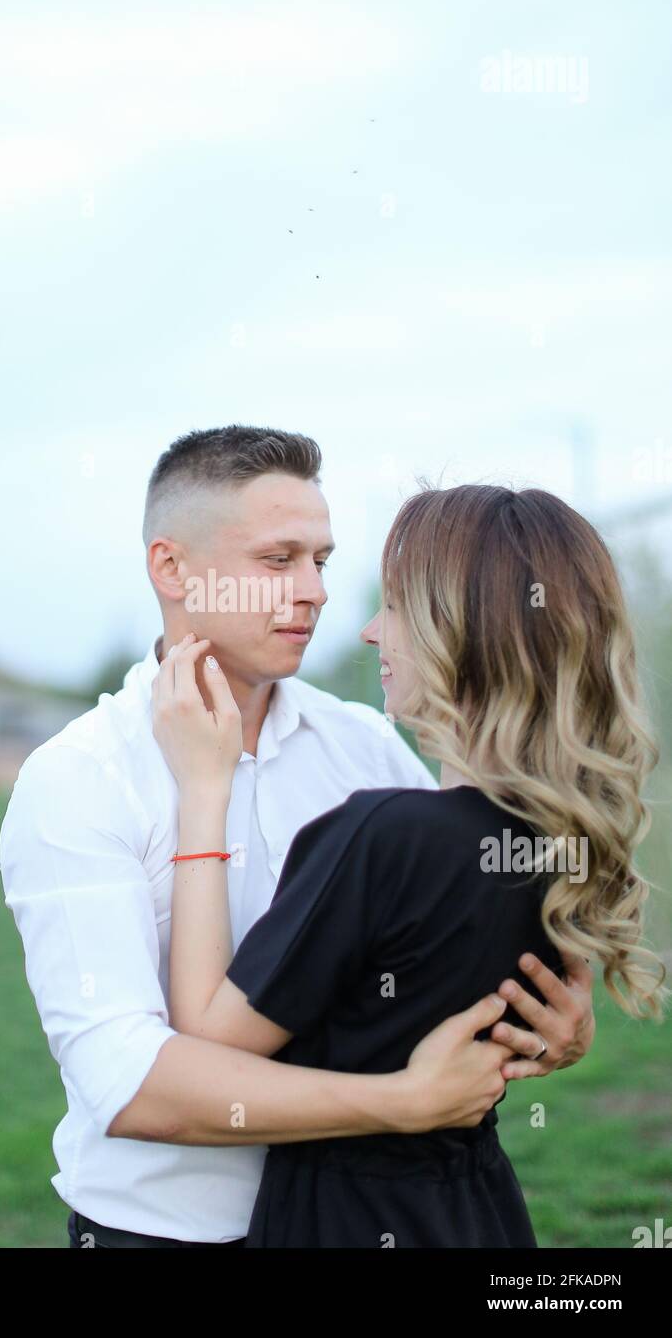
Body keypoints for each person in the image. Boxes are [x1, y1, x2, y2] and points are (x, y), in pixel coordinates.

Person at [0, 428, 595, 1249]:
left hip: (355, 1224)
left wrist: (549, 1025)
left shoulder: (367, 747)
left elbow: (453, 955)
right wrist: (399, 1103)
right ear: (171, 568)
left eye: (321, 560)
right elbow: (129, 1084)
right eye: (278, 561)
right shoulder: (78, 777)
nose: (313, 592)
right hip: (165, 1236)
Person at [150, 481, 668, 1247]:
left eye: (393, 607)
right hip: (482, 1213)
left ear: (462, 635)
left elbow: (205, 1040)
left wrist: (204, 789)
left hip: (348, 1222)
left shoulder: (384, 836)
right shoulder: (561, 836)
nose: (369, 632)